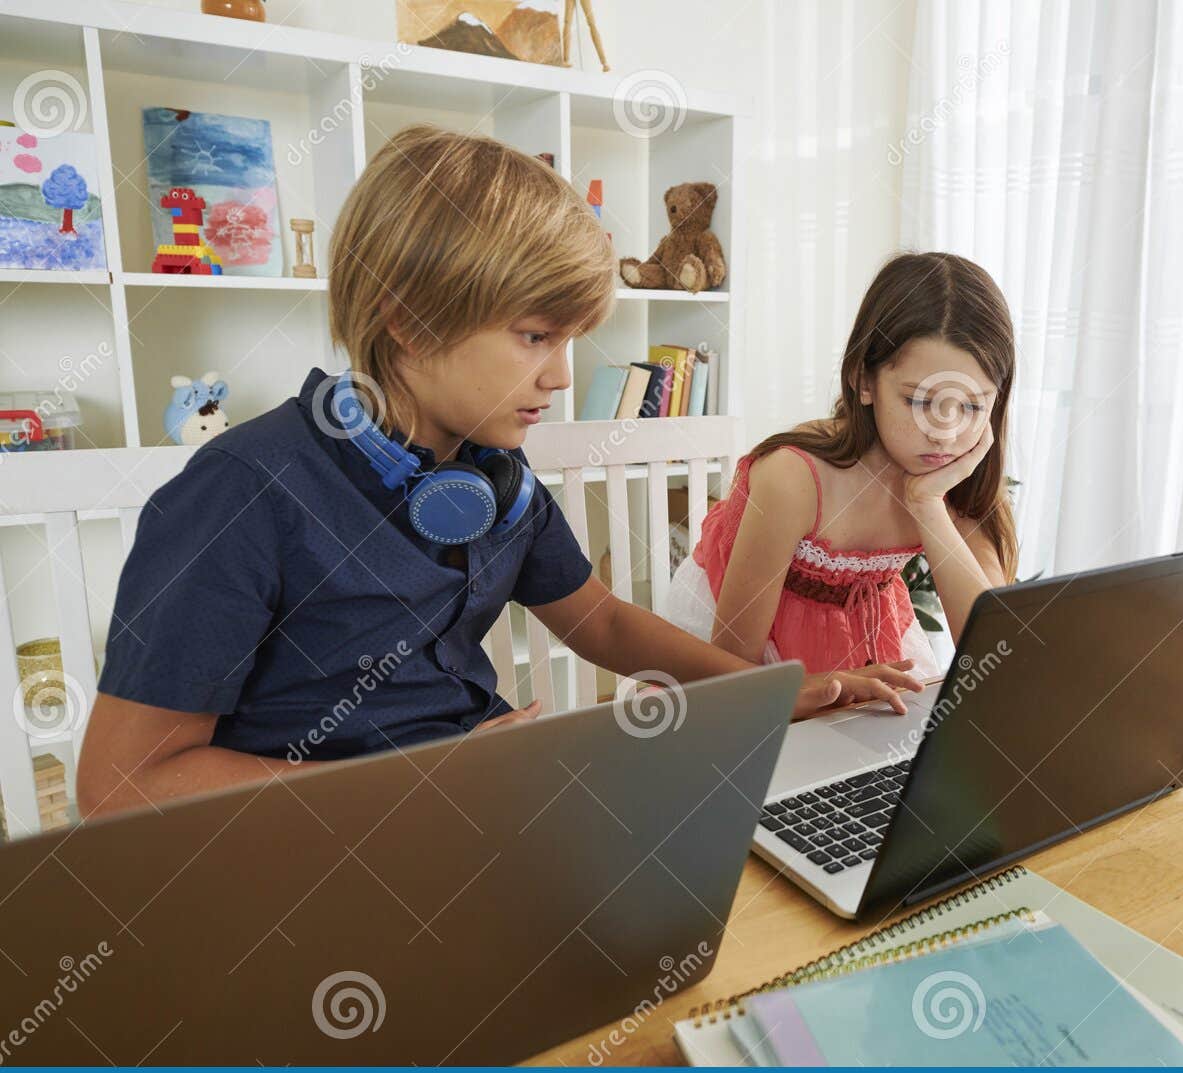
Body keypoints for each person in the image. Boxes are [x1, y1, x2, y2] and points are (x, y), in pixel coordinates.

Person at [76, 126, 920, 819]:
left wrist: (784, 690)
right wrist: (418, 788)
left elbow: (605, 625)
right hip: (320, 855)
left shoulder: (496, 477)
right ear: (405, 319)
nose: (560, 375)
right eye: (534, 336)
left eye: (571, 341)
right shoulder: (242, 491)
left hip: (484, 811)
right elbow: (121, 786)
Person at [664, 251, 1017, 678]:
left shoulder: (955, 476)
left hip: (864, 649)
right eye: (918, 401)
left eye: (971, 405)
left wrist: (927, 505)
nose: (944, 430)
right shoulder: (793, 479)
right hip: (753, 672)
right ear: (863, 380)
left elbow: (993, 655)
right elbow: (733, 677)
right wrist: (836, 689)